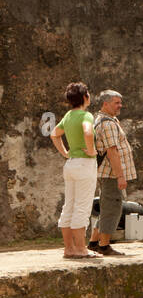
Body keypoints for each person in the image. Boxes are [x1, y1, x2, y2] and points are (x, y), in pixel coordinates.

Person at [50, 82, 99, 259]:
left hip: (71, 164)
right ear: (85, 97)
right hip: (85, 164)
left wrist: (64, 152)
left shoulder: (69, 115)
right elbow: (87, 132)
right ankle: (81, 248)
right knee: (82, 207)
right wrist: (92, 149)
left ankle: (69, 248)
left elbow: (54, 134)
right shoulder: (86, 115)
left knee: (69, 205)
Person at [90, 89, 136, 257]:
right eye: (116, 103)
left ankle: (94, 242)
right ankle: (104, 245)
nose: (120, 106)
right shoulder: (108, 124)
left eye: (120, 102)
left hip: (108, 173)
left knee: (106, 206)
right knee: (112, 207)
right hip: (110, 174)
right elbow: (112, 151)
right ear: (105, 104)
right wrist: (120, 176)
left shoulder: (106, 120)